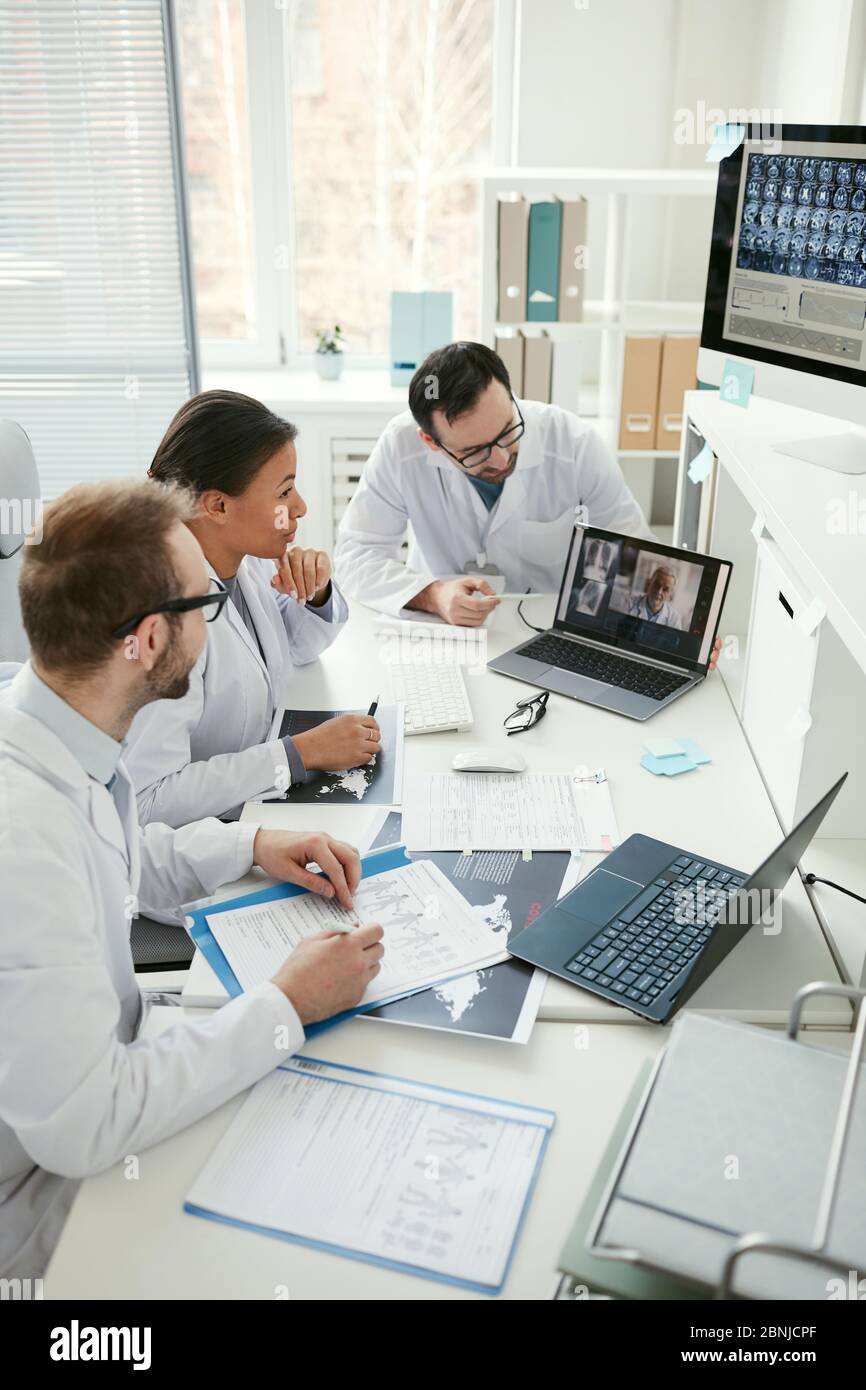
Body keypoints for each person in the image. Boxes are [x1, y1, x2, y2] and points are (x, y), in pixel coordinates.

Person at [0, 480, 384, 1280]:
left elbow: (123, 858)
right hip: (43, 1200)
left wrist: (250, 844)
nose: (217, 615)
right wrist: (286, 1004)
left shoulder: (62, 732)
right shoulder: (23, 838)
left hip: (107, 1075)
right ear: (146, 640)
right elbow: (86, 1125)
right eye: (203, 603)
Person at [122, 390, 380, 828]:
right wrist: (300, 755)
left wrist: (313, 594)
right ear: (218, 505)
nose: (300, 507)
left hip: (256, 806)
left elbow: (294, 650)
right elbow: (146, 802)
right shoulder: (161, 617)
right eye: (284, 491)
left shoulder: (242, 560)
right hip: (196, 849)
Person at [334, 340, 652, 625]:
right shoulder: (400, 448)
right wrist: (432, 595)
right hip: (443, 629)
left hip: (546, 629)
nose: (500, 459)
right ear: (432, 443)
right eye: (474, 451)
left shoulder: (574, 443)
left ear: (510, 396)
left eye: (507, 431)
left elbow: (635, 551)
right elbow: (356, 556)